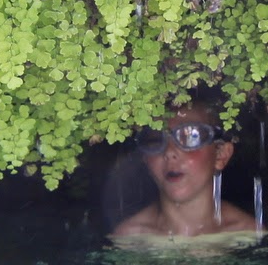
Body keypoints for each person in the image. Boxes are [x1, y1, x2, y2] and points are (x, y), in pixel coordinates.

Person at [111, 100, 260, 239]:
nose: (169, 152)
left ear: (220, 155)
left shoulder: (248, 234)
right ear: (144, 157)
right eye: (156, 139)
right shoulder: (130, 238)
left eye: (190, 137)